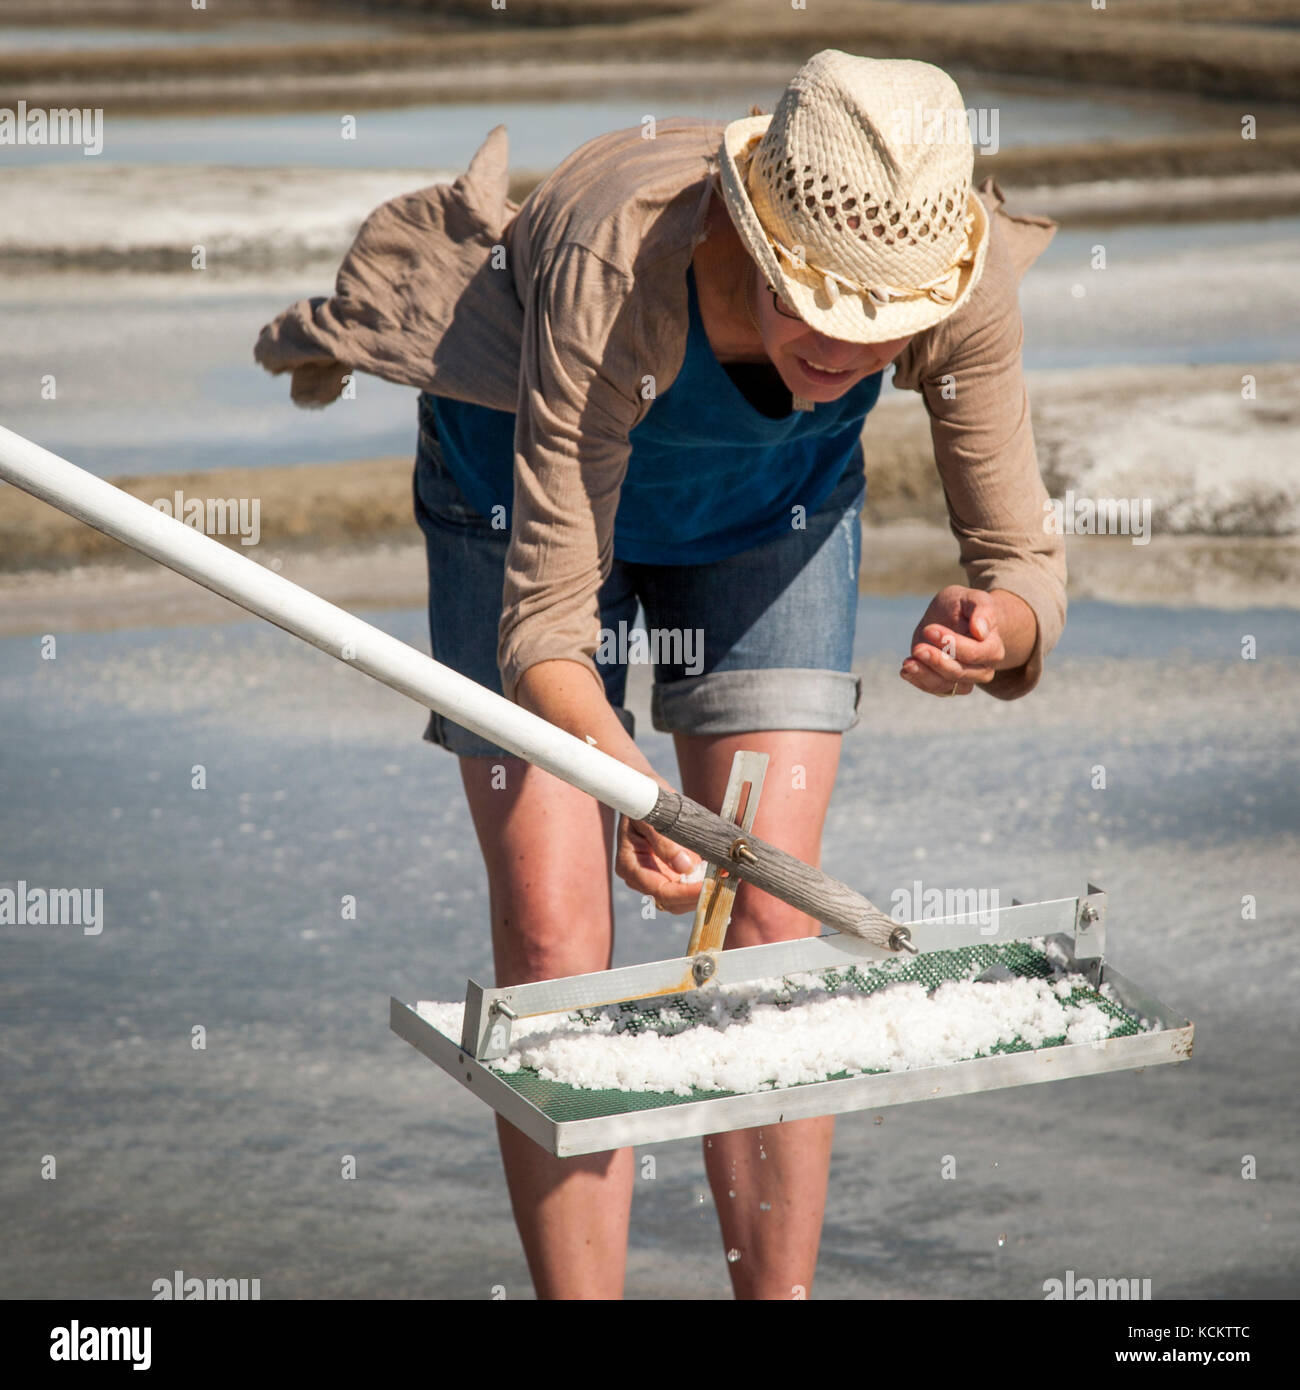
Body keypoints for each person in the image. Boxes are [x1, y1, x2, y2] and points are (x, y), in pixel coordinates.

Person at [255, 49, 1066, 1300]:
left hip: (768, 518)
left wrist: (998, 627)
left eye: (881, 325)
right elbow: (544, 626)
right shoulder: (611, 258)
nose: (848, 352)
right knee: (555, 939)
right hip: (514, 485)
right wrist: (627, 783)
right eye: (817, 308)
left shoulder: (957, 273)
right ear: (746, 234)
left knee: (772, 921)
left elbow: (1021, 560)